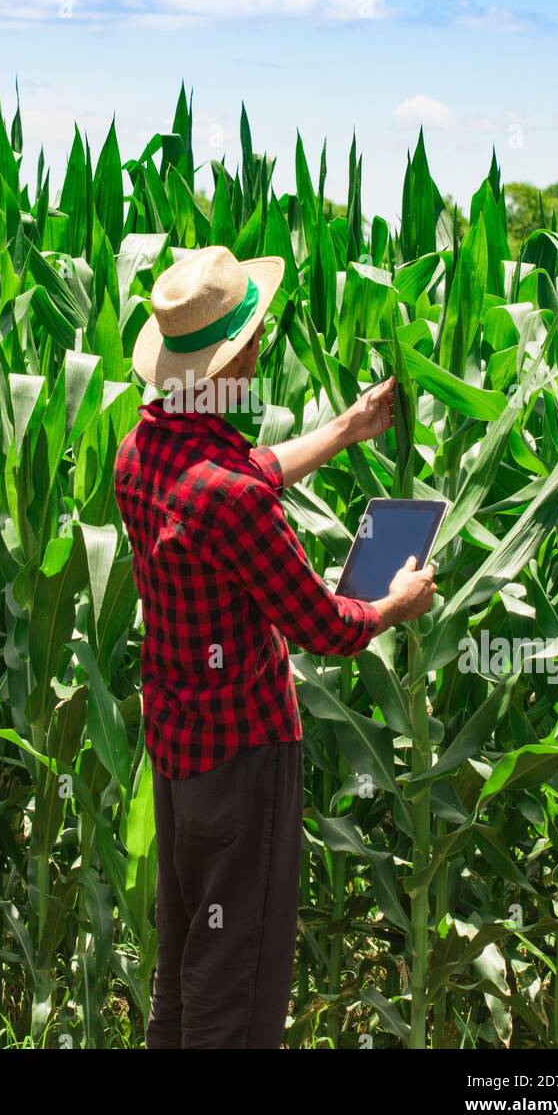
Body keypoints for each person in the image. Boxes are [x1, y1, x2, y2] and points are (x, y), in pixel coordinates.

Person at [114, 245, 436, 1049]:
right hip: (245, 766)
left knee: (186, 970)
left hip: (181, 760)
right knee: (238, 990)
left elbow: (248, 467)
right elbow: (326, 628)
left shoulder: (142, 452)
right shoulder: (235, 504)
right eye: (251, 342)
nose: (261, 351)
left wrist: (344, 429)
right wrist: (394, 604)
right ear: (226, 364)